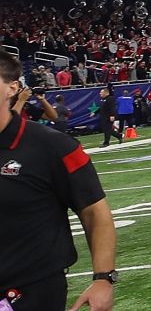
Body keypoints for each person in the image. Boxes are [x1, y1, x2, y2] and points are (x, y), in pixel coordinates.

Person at [0, 52, 117, 311]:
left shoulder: (53, 146)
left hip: (28, 293)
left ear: (12, 88)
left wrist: (104, 278)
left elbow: (94, 211)